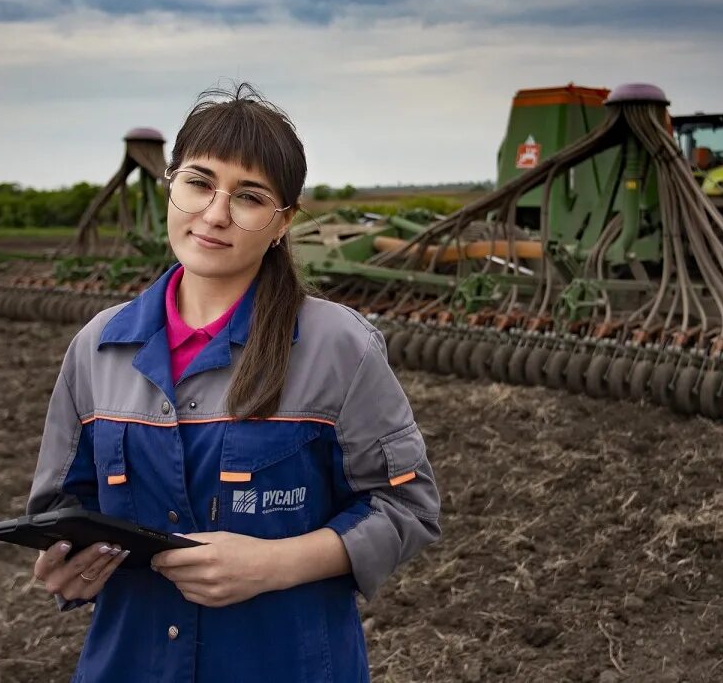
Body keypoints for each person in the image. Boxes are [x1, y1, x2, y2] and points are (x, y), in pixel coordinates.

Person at [26, 84, 441, 682]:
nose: (215, 214)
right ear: (172, 186)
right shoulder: (97, 347)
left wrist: (276, 564)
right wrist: (64, 564)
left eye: (248, 197)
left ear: (282, 223)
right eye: (199, 183)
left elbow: (407, 506)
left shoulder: (337, 347)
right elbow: (61, 508)